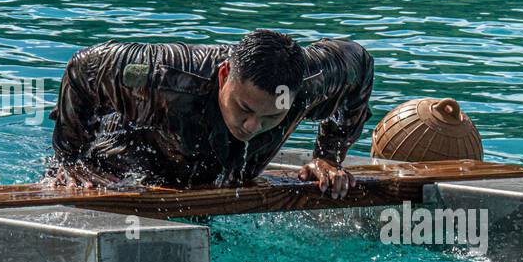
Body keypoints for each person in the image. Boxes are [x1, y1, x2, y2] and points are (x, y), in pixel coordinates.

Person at [44, 29, 374, 198]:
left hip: (208, 176)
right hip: (124, 161)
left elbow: (359, 61)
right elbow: (84, 67)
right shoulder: (168, 76)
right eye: (244, 108)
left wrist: (328, 157)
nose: (252, 126)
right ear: (223, 76)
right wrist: (72, 159)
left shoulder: (312, 81)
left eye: (271, 117)